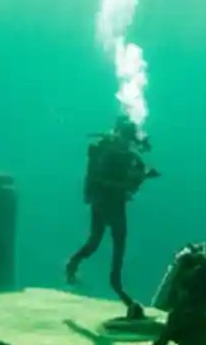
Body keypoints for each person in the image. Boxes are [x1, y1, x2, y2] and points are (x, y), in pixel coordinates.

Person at [65, 116, 160, 319]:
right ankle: (79, 266)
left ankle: (115, 284)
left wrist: (140, 174)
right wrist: (132, 181)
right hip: (103, 200)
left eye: (129, 138)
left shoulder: (126, 149)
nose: (127, 142)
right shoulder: (105, 149)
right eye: (125, 137)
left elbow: (134, 168)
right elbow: (99, 178)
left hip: (116, 201)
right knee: (96, 240)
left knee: (114, 241)